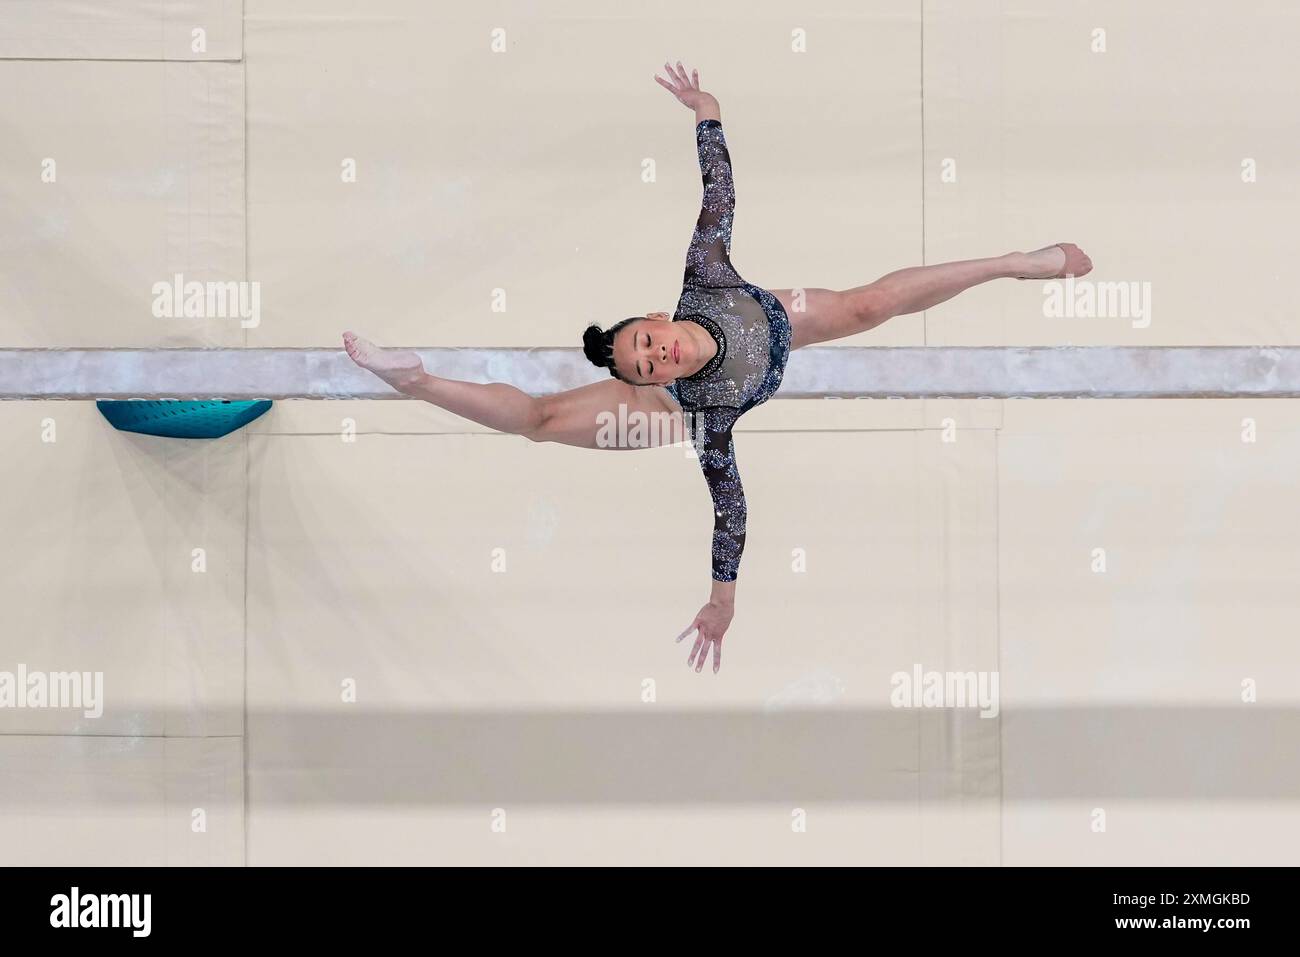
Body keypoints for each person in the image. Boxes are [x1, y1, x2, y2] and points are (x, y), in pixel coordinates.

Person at [344, 60, 1092, 675]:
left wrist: (709, 111)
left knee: (867, 307)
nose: (655, 352)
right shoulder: (698, 410)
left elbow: (719, 191)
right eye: (644, 363)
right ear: (649, 379)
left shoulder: (705, 274)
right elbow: (730, 508)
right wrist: (722, 600)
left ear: (660, 318)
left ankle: (1011, 264)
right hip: (698, 405)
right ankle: (415, 379)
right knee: (540, 422)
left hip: (772, 319)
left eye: (646, 340)